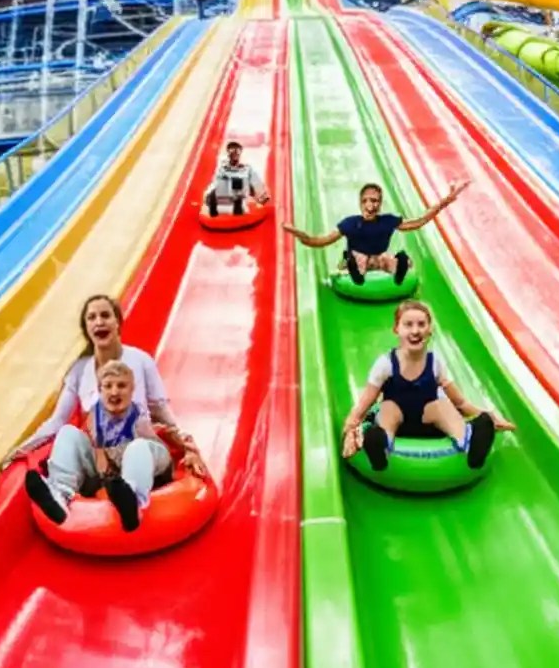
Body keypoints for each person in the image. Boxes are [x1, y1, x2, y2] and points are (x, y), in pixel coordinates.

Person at [25, 360, 208, 531]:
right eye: (108, 386)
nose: (114, 392)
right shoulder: (94, 418)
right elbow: (79, 444)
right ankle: (59, 495)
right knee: (68, 433)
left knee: (136, 448)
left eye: (121, 386)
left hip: (151, 466)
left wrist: (189, 451)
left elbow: (175, 431)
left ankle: (132, 502)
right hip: (111, 476)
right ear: (100, 391)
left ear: (131, 390)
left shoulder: (142, 415)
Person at [3, 294, 177, 466]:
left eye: (105, 315)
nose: (99, 322)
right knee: (68, 434)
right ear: (86, 328)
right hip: (101, 455)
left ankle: (127, 485)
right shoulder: (79, 370)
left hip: (138, 447)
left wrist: (185, 444)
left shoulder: (140, 360)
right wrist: (24, 448)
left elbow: (161, 409)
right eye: (92, 318)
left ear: (117, 322)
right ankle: (59, 489)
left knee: (134, 438)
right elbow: (57, 421)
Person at [340, 300, 514, 471]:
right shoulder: (386, 364)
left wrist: (487, 417)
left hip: (429, 422)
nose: (415, 330)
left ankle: (470, 442)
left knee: (442, 405)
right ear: (396, 329)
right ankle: (380, 446)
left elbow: (460, 403)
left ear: (430, 330)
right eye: (408, 325)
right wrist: (349, 429)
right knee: (388, 407)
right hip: (398, 423)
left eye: (421, 324)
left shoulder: (435, 363)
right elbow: (365, 404)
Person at [282, 179, 469, 286]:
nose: (370, 206)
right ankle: (352, 268)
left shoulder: (388, 221)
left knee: (395, 261)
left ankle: (398, 266)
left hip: (377, 260)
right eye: (366, 201)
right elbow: (320, 241)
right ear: (360, 203)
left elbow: (418, 222)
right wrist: (300, 235)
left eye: (375, 201)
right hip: (358, 259)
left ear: (380, 204)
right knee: (359, 259)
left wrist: (445, 202)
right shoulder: (350, 223)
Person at [205, 140, 269, 218]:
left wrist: (262, 196)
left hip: (240, 192)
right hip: (225, 192)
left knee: (239, 184)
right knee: (219, 187)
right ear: (228, 153)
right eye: (232, 150)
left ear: (240, 153)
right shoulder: (223, 168)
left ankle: (238, 207)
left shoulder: (246, 168)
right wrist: (209, 193)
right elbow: (215, 181)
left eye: (237, 150)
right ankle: (214, 209)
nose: (235, 152)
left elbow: (256, 182)